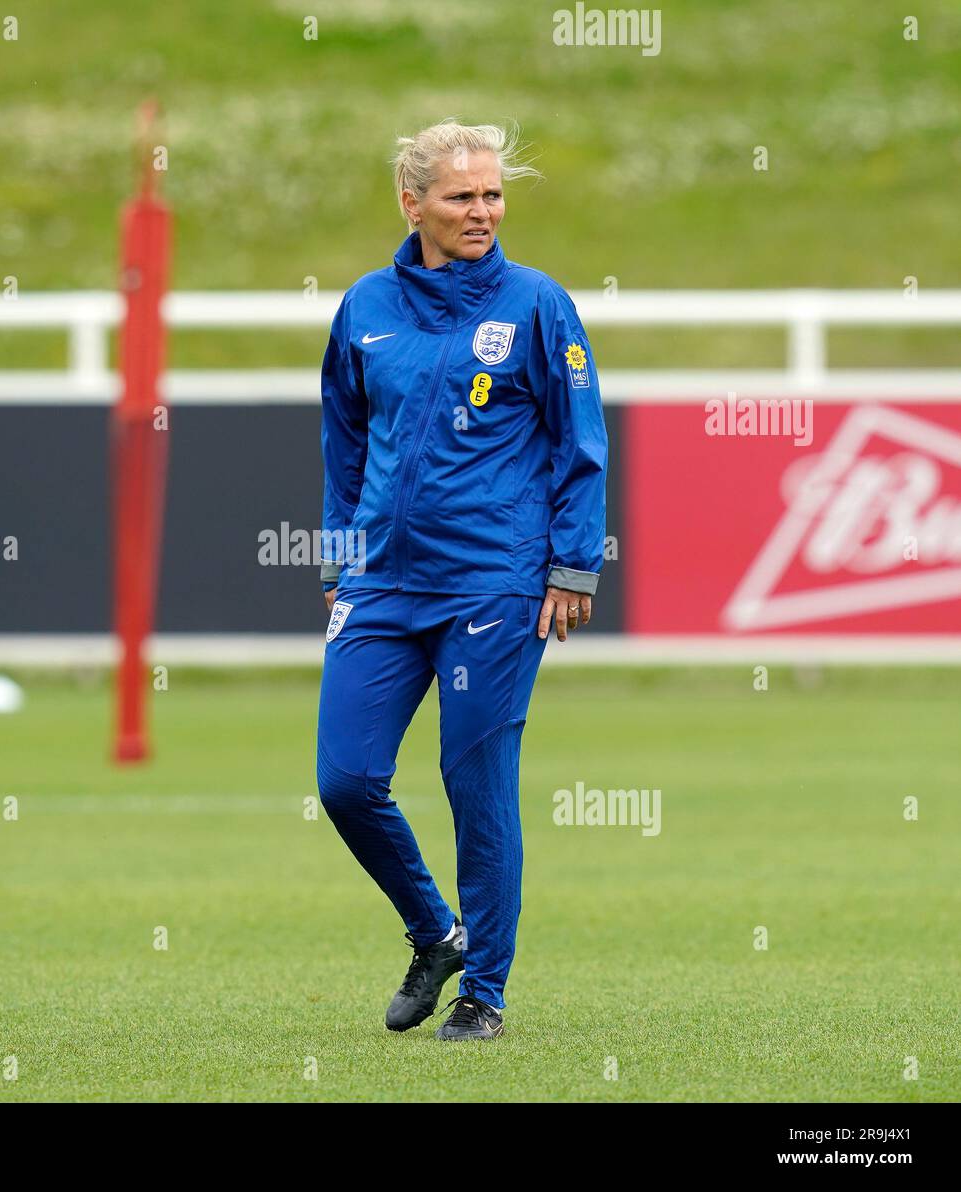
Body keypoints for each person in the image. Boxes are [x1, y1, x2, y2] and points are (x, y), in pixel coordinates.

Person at [316, 119, 608, 1041]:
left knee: (474, 783)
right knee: (346, 781)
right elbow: (345, 438)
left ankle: (484, 992)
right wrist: (339, 554)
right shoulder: (365, 304)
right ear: (413, 204)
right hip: (383, 585)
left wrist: (571, 564)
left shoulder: (535, 303)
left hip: (494, 584)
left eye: (491, 195)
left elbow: (580, 444)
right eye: (461, 196)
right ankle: (432, 932)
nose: (481, 211)